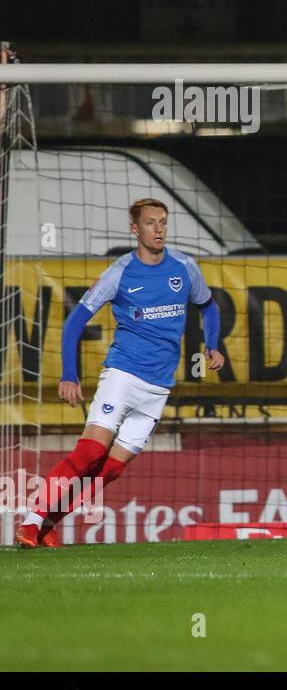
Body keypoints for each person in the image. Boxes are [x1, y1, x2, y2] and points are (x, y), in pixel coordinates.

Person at [16, 199, 224, 548]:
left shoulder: (185, 268)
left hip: (158, 389)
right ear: (135, 229)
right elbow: (74, 322)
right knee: (90, 453)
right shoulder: (119, 272)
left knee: (110, 469)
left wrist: (212, 345)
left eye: (163, 223)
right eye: (151, 224)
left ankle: (49, 523)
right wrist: (69, 375)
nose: (159, 230)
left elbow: (208, 306)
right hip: (122, 377)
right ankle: (30, 521)